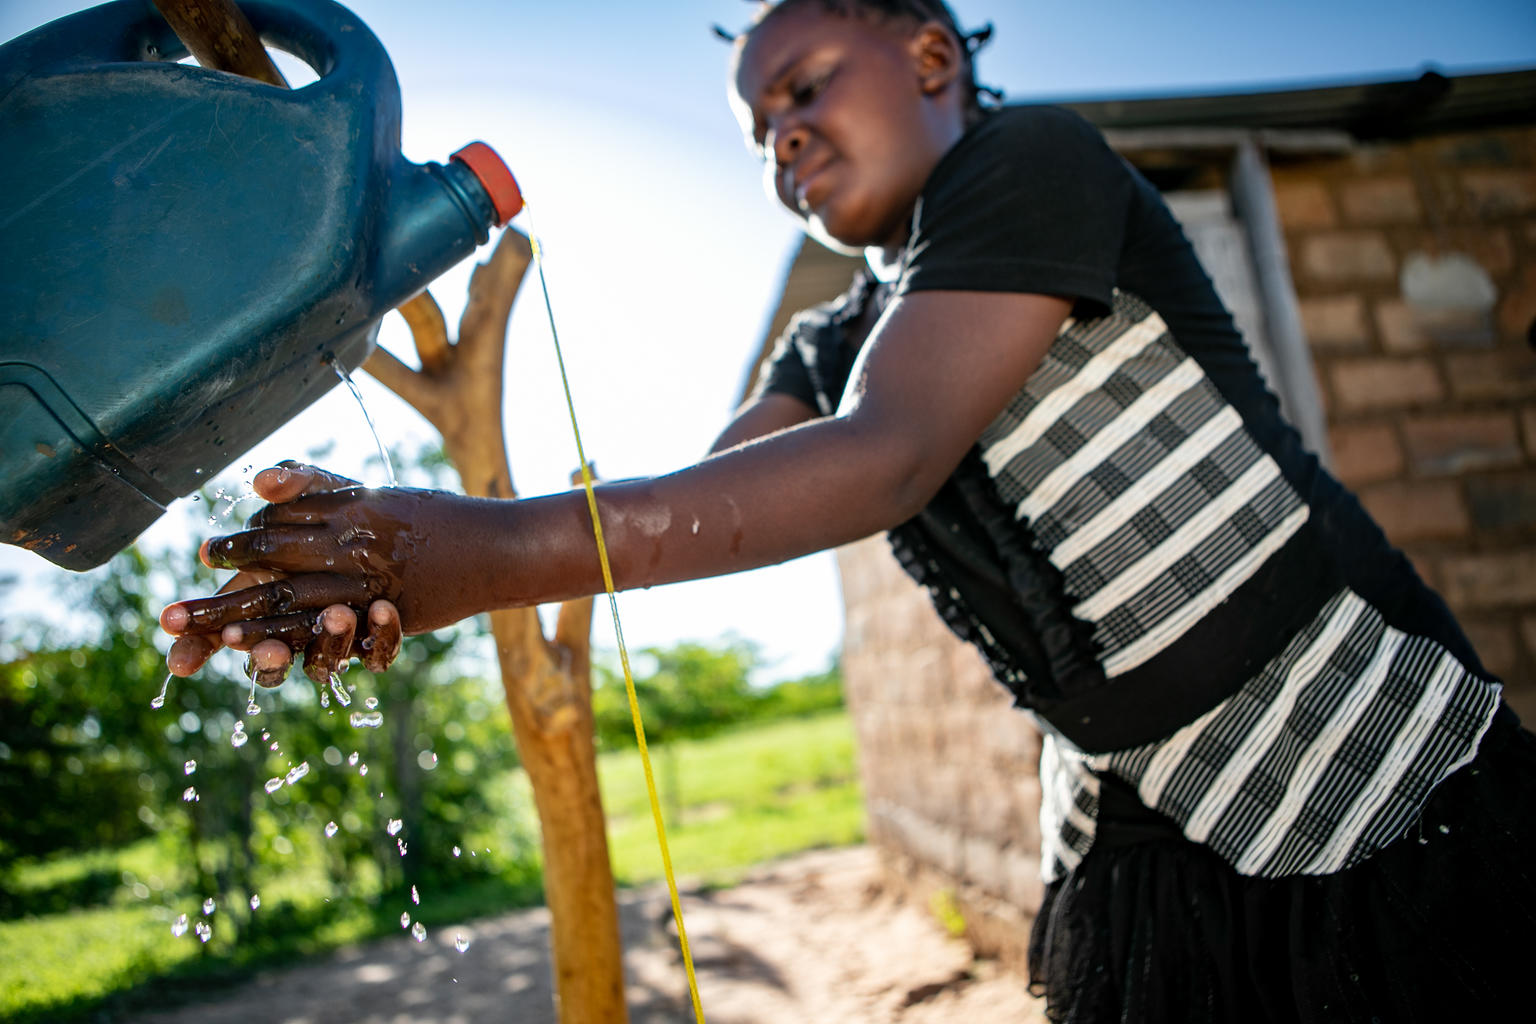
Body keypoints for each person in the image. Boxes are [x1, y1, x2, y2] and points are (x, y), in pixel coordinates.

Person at [161, 1, 1535, 1019]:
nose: (785, 139)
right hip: (1137, 819)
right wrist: (400, 559)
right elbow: (718, 494)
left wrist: (494, 548)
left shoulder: (1033, 168)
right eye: (762, 133)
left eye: (805, 89)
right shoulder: (835, 338)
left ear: (932, 57)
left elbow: (885, 457)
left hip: (1354, 746)